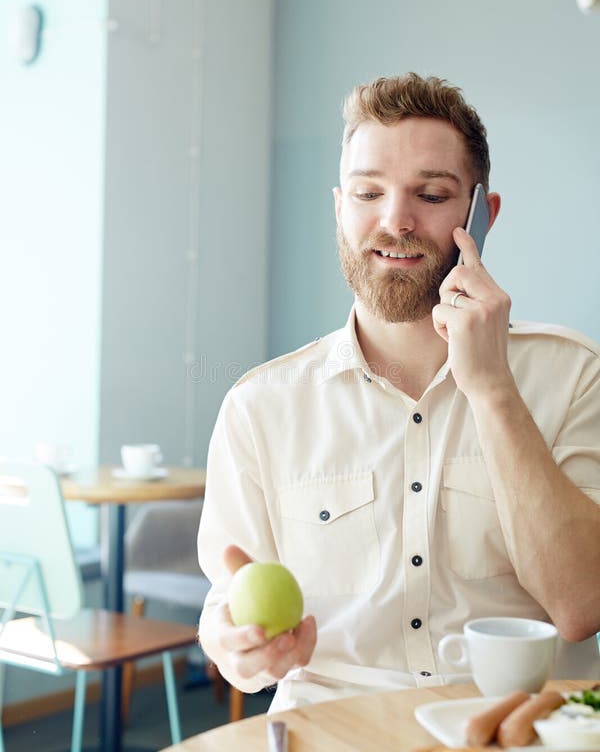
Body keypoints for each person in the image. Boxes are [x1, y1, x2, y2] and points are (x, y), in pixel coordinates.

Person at [197, 73, 600, 711]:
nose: (395, 220)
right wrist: (235, 645)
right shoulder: (260, 407)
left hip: (523, 739)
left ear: (482, 216)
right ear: (340, 208)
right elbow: (228, 604)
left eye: (432, 194)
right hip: (331, 740)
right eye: (368, 193)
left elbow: (582, 606)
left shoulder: (574, 375)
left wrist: (492, 390)